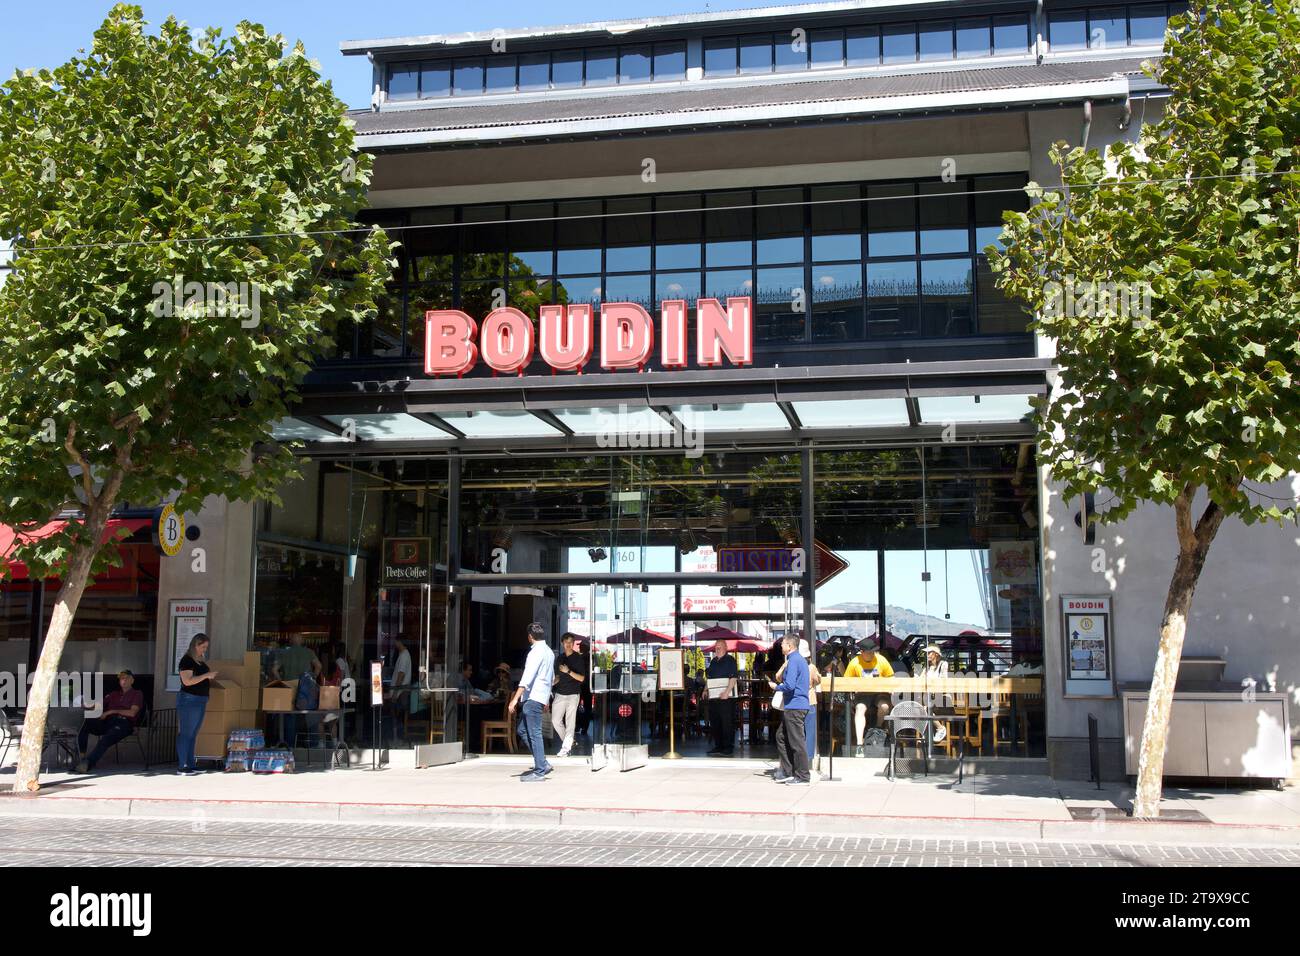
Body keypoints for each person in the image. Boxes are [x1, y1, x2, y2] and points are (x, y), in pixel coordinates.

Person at [509, 622, 555, 781]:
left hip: (533, 697)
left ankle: (540, 770)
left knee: (534, 733)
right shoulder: (549, 652)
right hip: (540, 697)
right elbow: (550, 678)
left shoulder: (535, 653)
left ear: (530, 636)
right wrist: (547, 698)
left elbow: (527, 677)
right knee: (522, 730)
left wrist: (514, 699)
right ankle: (542, 763)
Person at [75, 670, 144, 773]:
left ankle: (87, 763)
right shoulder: (114, 694)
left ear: (132, 680)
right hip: (108, 721)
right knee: (85, 725)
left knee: (105, 739)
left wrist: (111, 711)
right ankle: (82, 758)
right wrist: (84, 705)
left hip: (124, 723)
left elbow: (132, 713)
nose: (123, 681)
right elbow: (98, 705)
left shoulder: (137, 694)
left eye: (126, 678)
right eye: (121, 678)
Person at [768, 634, 810, 785]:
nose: (781, 646)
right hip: (795, 705)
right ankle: (789, 771)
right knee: (781, 736)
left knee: (797, 742)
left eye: (783, 643)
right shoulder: (798, 660)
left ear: (790, 646)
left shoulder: (794, 660)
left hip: (795, 705)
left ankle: (803, 775)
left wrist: (776, 687)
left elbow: (789, 685)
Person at [176, 633, 218, 775]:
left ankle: (191, 764)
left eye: (206, 647)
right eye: (203, 647)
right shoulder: (187, 661)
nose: (204, 650)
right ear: (195, 645)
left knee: (193, 734)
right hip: (190, 700)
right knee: (186, 733)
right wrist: (206, 675)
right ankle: (182, 766)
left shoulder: (199, 661)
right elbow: (187, 681)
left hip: (199, 700)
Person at [845, 636, 894, 754]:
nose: (872, 654)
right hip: (862, 694)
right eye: (869, 652)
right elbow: (846, 681)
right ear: (862, 652)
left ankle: (877, 728)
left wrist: (890, 688)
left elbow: (891, 677)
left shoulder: (881, 660)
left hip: (880, 693)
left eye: (873, 651)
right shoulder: (854, 662)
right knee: (860, 709)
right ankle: (859, 744)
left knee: (885, 707)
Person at [551, 633, 587, 757]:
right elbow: (557, 677)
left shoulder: (578, 658)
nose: (568, 644)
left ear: (573, 643)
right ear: (562, 643)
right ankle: (570, 742)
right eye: (566, 642)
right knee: (555, 720)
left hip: (573, 694)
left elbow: (582, 678)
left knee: (570, 722)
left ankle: (566, 749)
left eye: (570, 642)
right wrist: (551, 683)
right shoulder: (559, 658)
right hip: (560, 693)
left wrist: (569, 671)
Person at [704, 638, 738, 757]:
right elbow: (709, 678)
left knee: (727, 723)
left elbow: (733, 677)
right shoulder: (713, 661)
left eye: (719, 647)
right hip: (713, 697)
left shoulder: (730, 660)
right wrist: (705, 689)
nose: (717, 649)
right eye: (716, 647)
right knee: (715, 722)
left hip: (726, 697)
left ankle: (728, 747)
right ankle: (718, 746)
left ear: (725, 648)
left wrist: (727, 692)